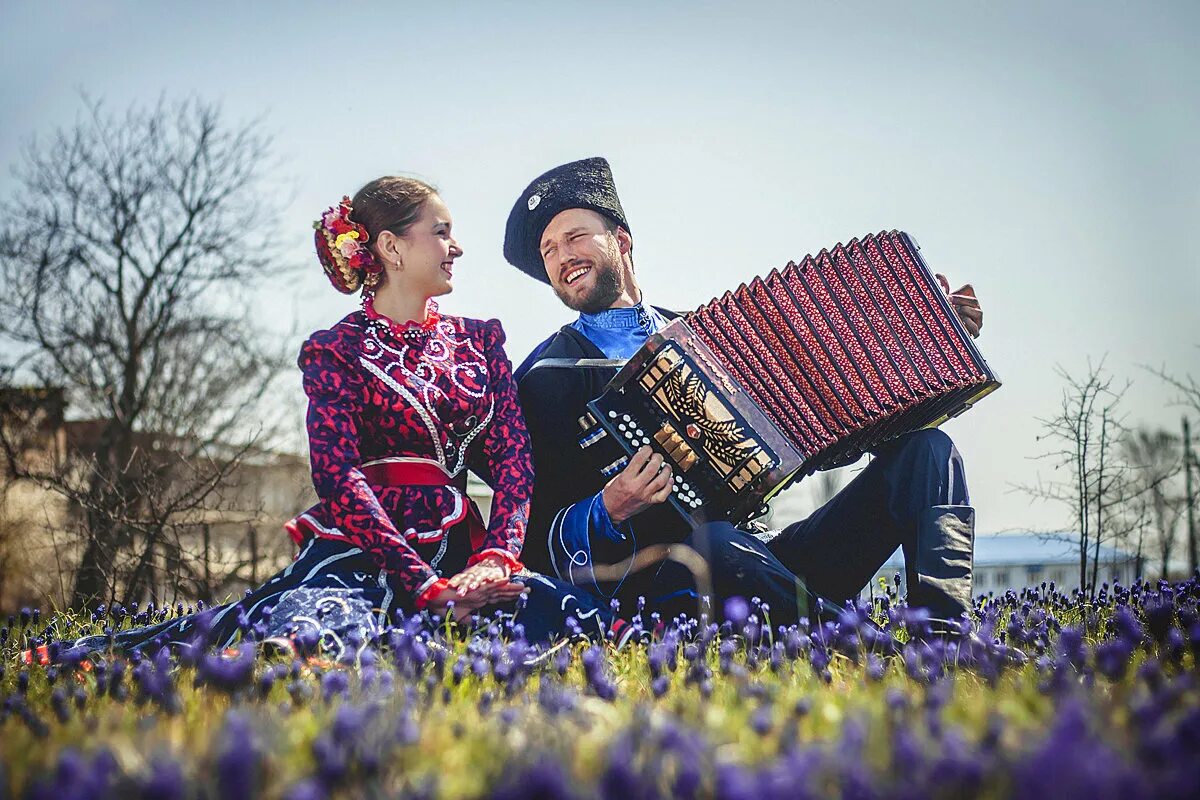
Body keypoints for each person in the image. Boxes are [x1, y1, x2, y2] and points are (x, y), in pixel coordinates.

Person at [64, 176, 629, 660]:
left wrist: (496, 560)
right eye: (441, 232)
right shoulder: (336, 351)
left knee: (576, 620)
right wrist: (422, 584)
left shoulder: (480, 341)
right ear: (390, 246)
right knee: (323, 627)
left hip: (464, 549)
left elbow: (513, 461)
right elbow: (338, 478)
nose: (456, 247)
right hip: (365, 547)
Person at [505, 157, 983, 628]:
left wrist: (929, 335)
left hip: (763, 560)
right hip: (665, 589)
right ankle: (864, 645)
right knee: (712, 544)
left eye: (574, 237)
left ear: (621, 240)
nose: (562, 256)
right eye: (549, 251)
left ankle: (945, 642)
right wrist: (607, 509)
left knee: (929, 452)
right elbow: (527, 535)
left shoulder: (710, 333)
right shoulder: (547, 375)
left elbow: (819, 431)